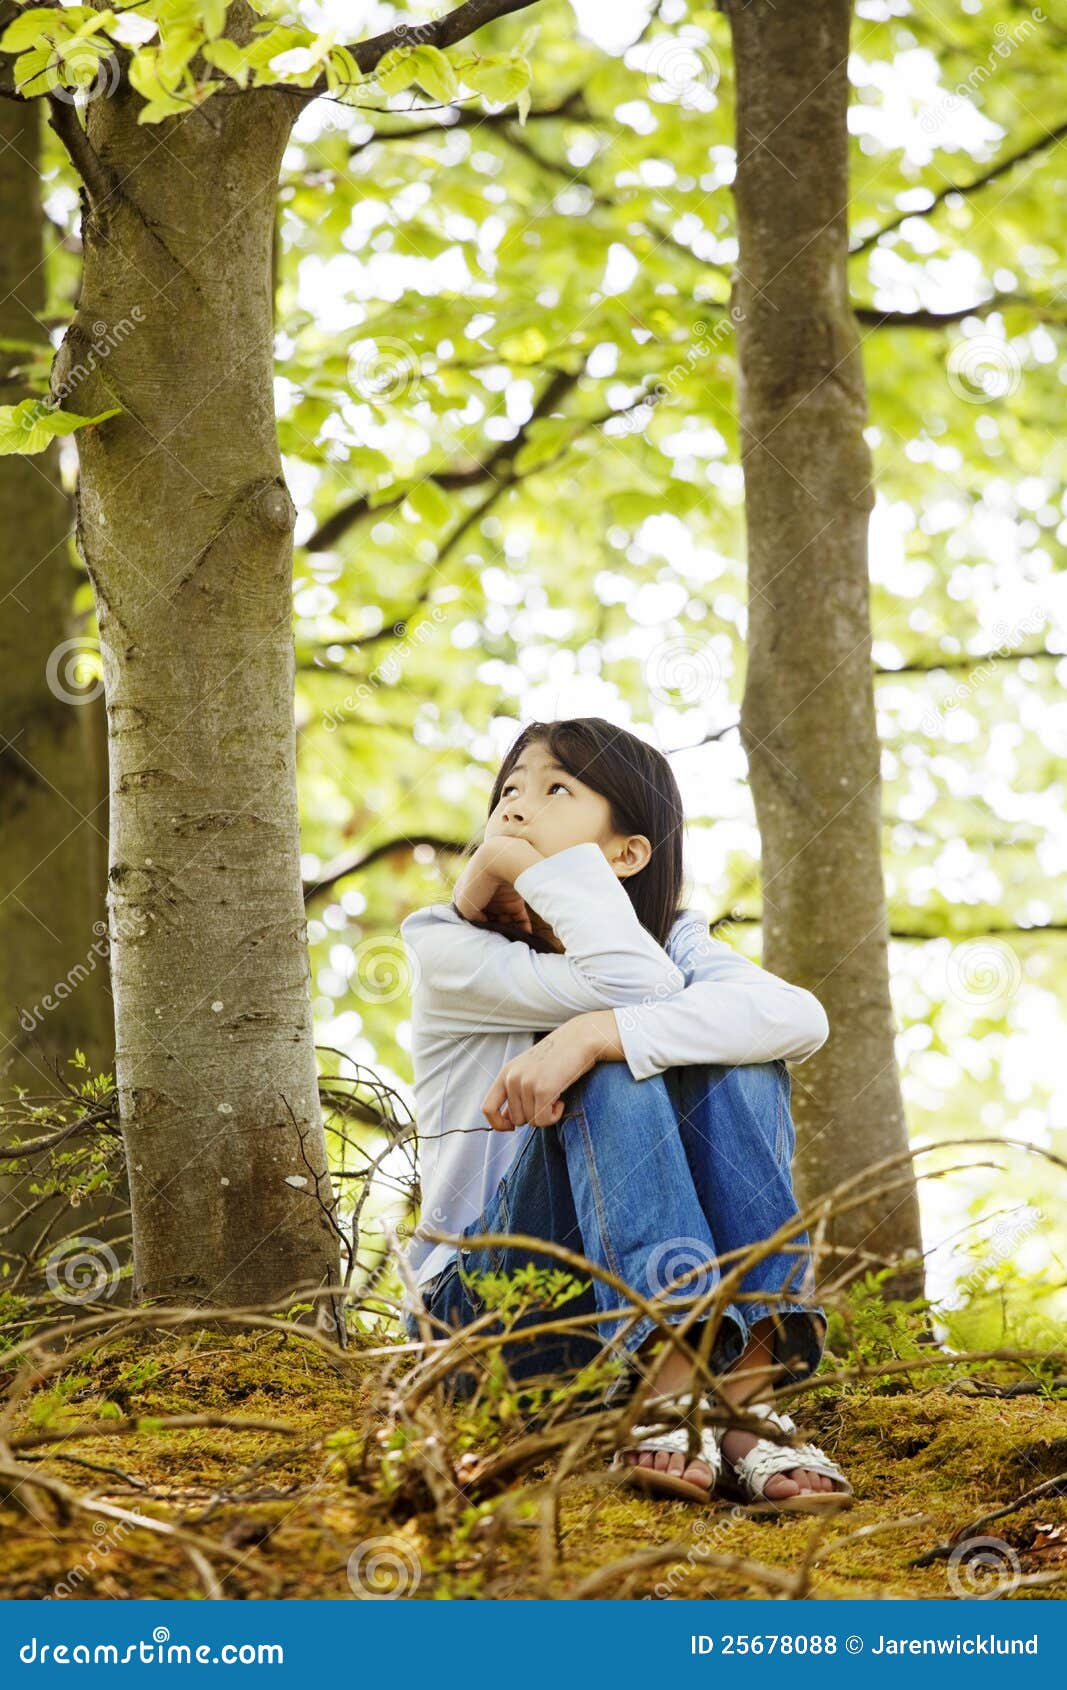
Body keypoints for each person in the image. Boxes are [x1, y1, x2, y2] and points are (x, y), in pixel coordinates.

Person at [397, 717, 852, 1511]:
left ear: (626, 854)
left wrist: (589, 1034)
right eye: (507, 792)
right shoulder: (454, 947)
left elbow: (799, 1017)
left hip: (604, 1339)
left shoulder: (675, 943)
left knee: (720, 1050)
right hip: (486, 1322)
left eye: (554, 790)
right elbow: (632, 989)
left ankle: (743, 1397)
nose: (513, 809)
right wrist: (506, 871)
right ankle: (671, 1383)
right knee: (614, 1062)